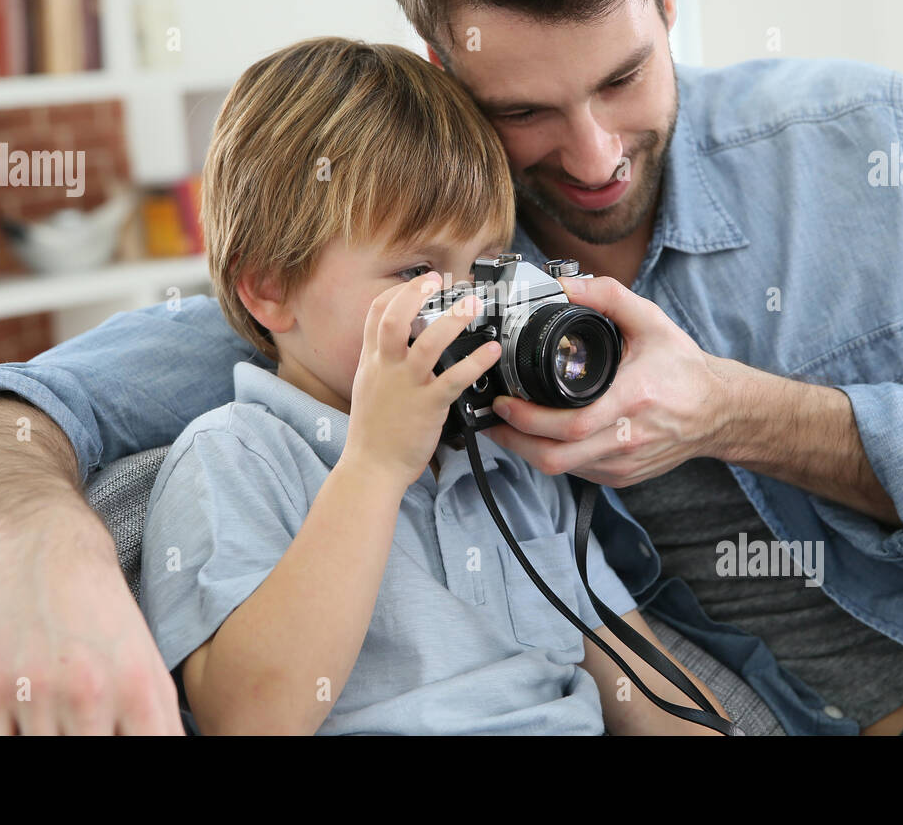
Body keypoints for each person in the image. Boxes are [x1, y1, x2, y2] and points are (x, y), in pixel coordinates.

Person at [0, 0, 903, 736]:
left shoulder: (860, 138)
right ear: (450, 76)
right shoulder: (398, 278)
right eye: (525, 113)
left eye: (622, 77)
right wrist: (46, 546)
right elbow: (24, 407)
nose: (595, 154)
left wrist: (728, 409)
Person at [138, 36, 727, 735]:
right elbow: (249, 718)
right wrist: (376, 467)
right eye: (415, 270)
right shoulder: (238, 458)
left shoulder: (512, 458)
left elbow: (647, 689)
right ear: (270, 286)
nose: (467, 307)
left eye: (487, 266)